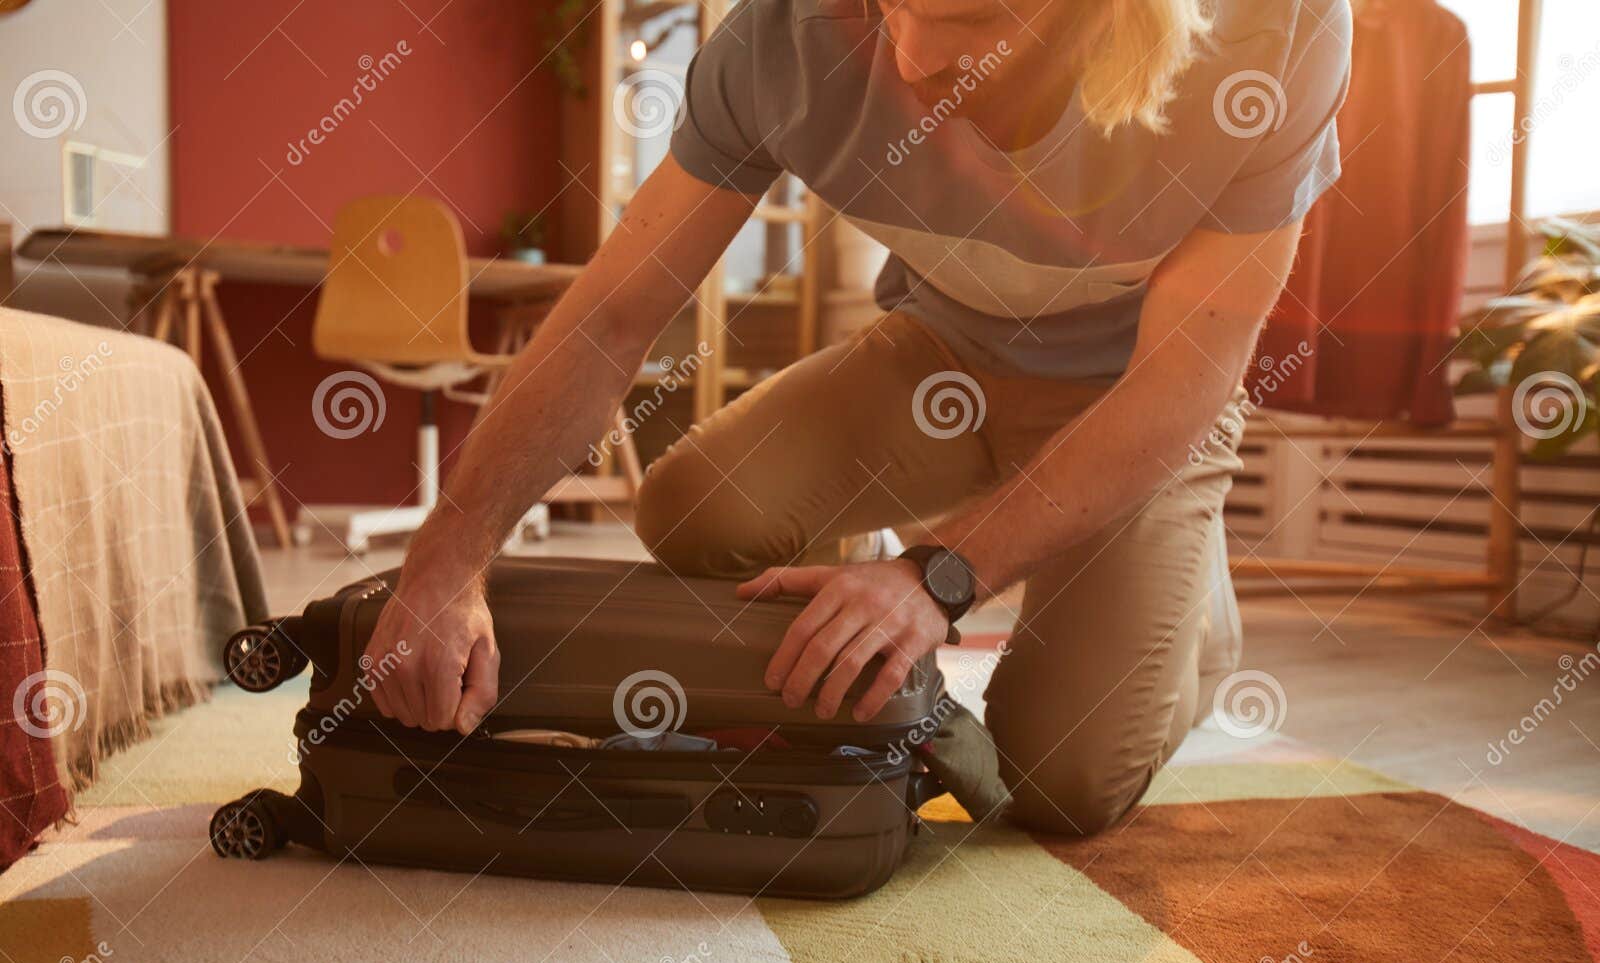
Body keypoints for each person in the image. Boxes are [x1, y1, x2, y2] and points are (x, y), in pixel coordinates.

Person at [363, 0, 1352, 835]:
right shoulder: (784, 35)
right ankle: (882, 581)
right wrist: (445, 562)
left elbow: (1180, 377)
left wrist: (940, 575)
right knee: (696, 511)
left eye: (971, 16)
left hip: (1136, 396)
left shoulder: (1274, 32)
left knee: (1058, 781)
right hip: (939, 364)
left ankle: (1191, 614)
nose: (910, 58)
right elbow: (611, 318)